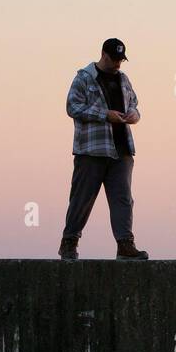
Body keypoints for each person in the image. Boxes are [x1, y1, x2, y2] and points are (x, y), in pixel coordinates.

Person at [59, 39, 148, 260]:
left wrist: (134, 115)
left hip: (122, 150)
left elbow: (134, 104)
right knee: (82, 198)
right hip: (92, 150)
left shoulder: (124, 79)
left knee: (123, 199)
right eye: (115, 58)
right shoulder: (84, 78)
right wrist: (104, 115)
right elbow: (72, 106)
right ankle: (69, 242)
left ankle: (125, 245)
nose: (118, 63)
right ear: (103, 55)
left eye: (121, 59)